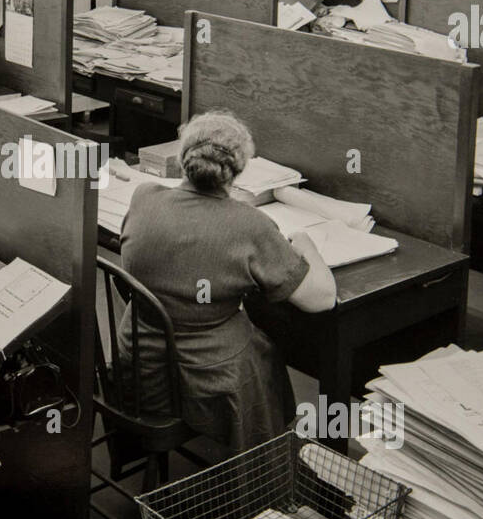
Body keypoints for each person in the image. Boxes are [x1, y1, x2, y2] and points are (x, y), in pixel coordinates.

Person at [117, 110, 337, 454]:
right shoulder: (250, 225)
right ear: (239, 168)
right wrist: (305, 242)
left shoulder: (144, 197)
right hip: (209, 381)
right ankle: (263, 471)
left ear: (182, 157)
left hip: (141, 364)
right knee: (264, 348)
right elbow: (321, 299)